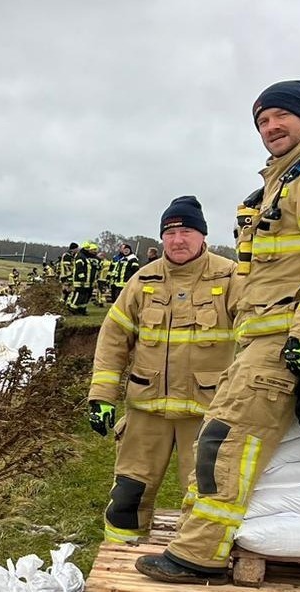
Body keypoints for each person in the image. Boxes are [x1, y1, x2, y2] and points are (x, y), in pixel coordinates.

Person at [138, 80, 300, 583]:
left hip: (291, 341)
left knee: (226, 441)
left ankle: (199, 555)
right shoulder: (282, 182)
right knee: (218, 435)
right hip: (268, 341)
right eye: (262, 121)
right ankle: (197, 540)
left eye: (280, 117)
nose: (271, 128)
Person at [89, 197, 238, 543]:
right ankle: (120, 564)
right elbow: (113, 339)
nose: (177, 240)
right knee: (127, 497)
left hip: (205, 415)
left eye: (186, 230)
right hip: (146, 413)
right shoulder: (143, 281)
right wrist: (101, 396)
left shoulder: (230, 277)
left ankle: (193, 571)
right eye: (169, 232)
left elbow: (256, 331)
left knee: (205, 500)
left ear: (203, 235)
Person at [68, 242, 100, 313]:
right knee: (79, 294)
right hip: (80, 281)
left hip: (87, 281)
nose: (90, 250)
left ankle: (81, 309)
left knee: (85, 295)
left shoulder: (84, 256)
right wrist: (82, 277)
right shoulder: (80, 256)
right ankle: (72, 308)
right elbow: (79, 268)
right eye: (88, 249)